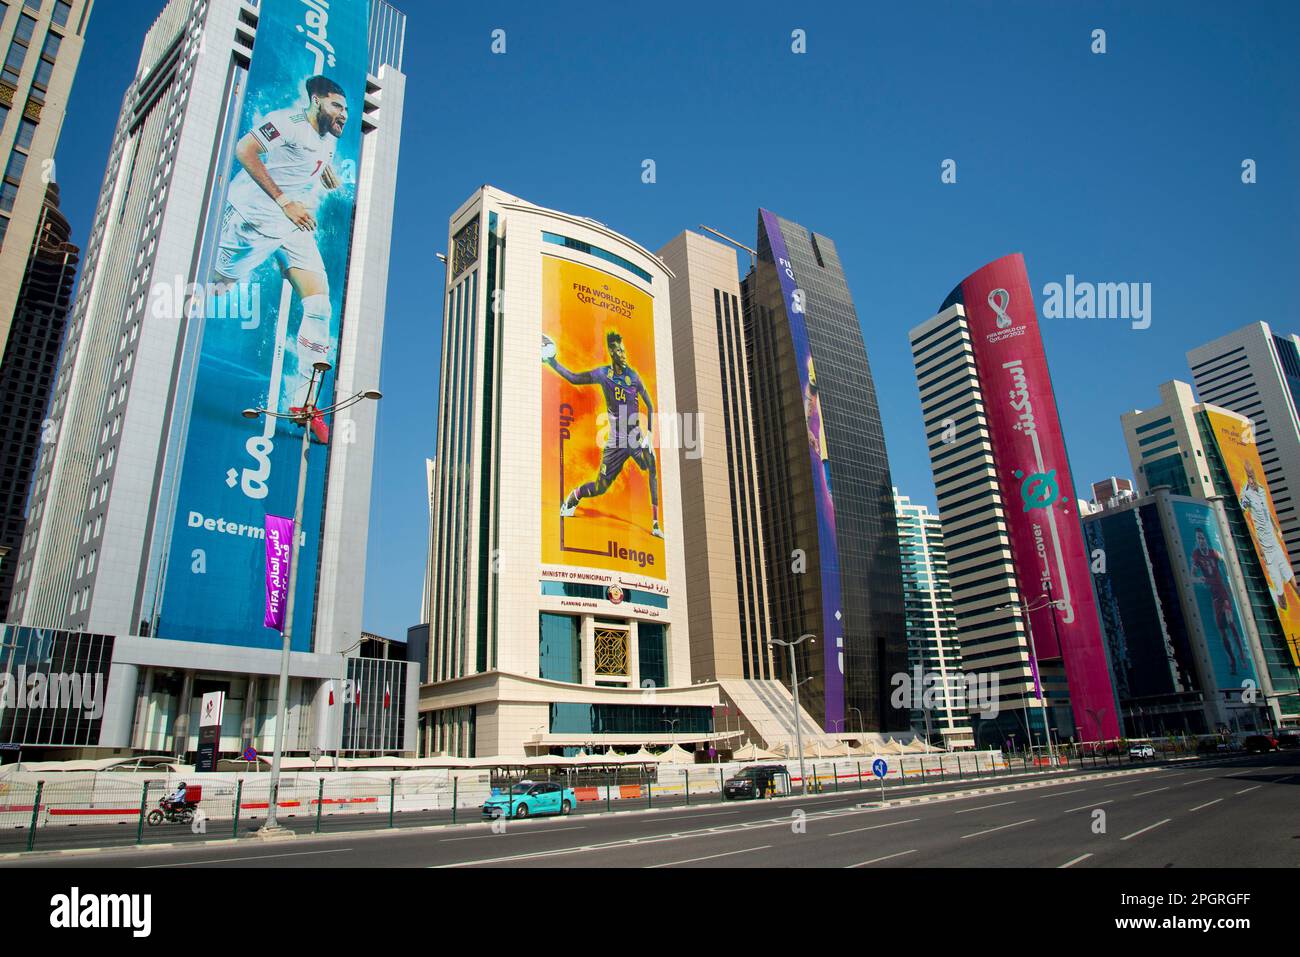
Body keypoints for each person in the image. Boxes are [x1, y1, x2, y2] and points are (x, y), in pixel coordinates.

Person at [214, 74, 351, 440]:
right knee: (218, 286)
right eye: (337, 106)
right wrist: (284, 201)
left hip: (293, 225)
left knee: (320, 305)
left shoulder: (327, 140)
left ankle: (303, 402)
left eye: (347, 109)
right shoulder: (285, 122)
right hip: (250, 219)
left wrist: (327, 175)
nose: (344, 115)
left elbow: (311, 160)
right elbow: (245, 150)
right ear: (317, 100)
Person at [543, 330, 662, 537]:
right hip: (616, 441)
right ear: (611, 353)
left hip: (634, 436)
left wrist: (650, 435)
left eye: (623, 349)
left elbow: (650, 405)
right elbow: (574, 378)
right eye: (618, 350)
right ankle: (574, 496)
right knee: (600, 487)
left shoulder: (633, 377)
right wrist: (552, 362)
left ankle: (655, 524)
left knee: (650, 463)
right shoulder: (603, 374)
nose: (622, 354)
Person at [1190, 528, 1248, 675]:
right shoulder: (1196, 555)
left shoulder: (1213, 552)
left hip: (1223, 593)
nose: (1201, 540)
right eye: (1199, 538)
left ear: (1205, 539)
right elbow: (1191, 577)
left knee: (1230, 621)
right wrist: (1199, 579)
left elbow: (1225, 560)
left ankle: (1242, 656)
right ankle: (1232, 661)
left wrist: (1228, 577)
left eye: (1203, 538)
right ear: (1196, 540)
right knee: (1222, 631)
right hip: (1214, 597)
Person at [1239, 461, 1295, 610]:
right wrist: (1258, 546)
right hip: (1265, 546)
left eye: (1252, 476)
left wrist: (1277, 529)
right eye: (1248, 477)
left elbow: (1267, 511)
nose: (1251, 480)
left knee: (1291, 578)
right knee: (1280, 589)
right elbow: (1245, 519)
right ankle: (1280, 599)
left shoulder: (1262, 489)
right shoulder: (1245, 494)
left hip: (1275, 542)